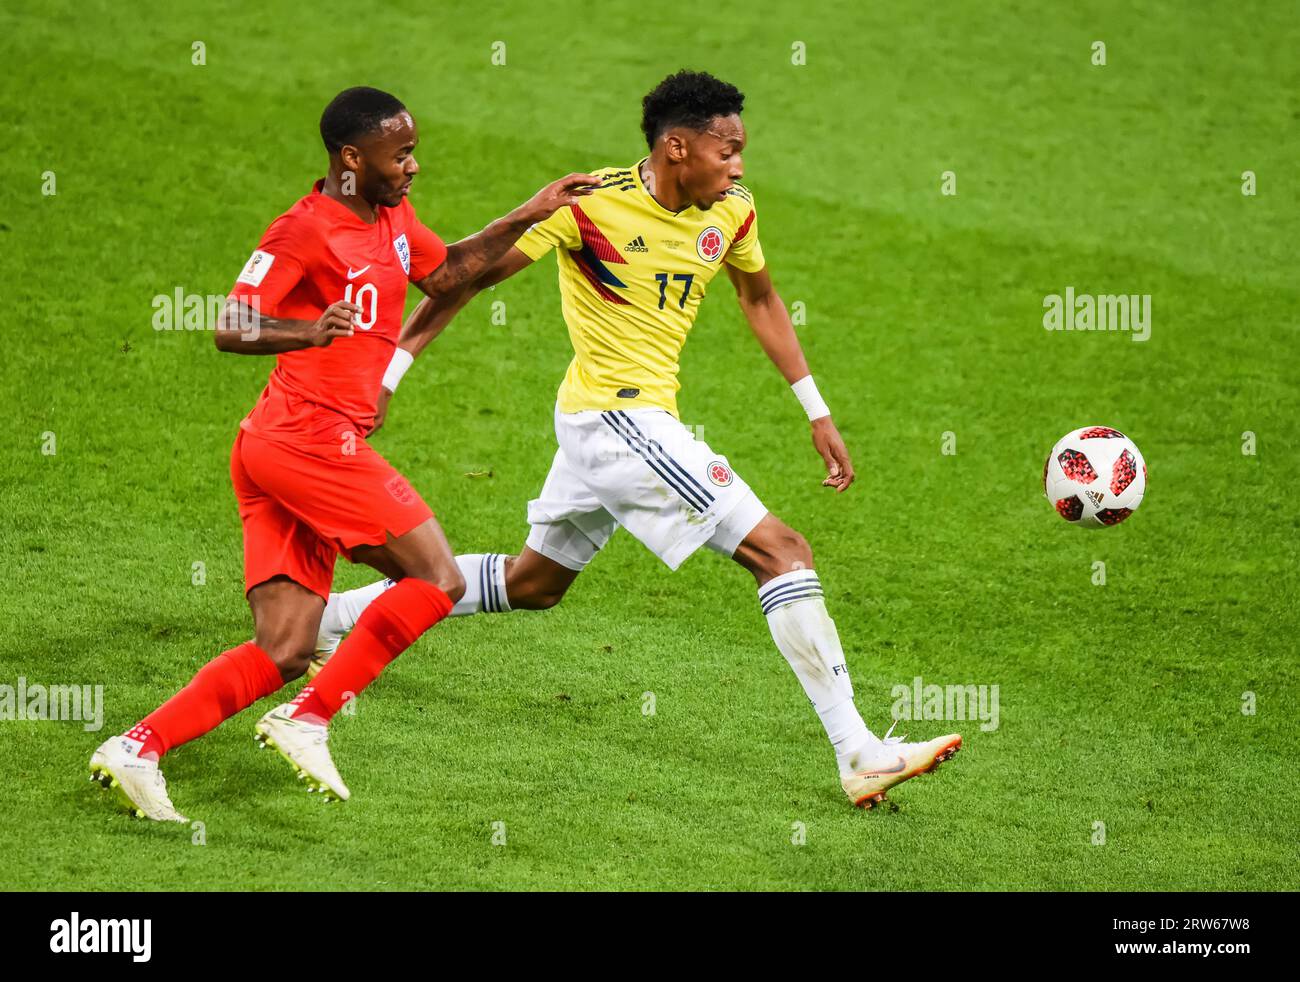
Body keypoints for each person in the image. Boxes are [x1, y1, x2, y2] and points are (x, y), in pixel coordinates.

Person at [321, 72, 959, 808]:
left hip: (607, 422)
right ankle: (859, 752)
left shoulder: (734, 214)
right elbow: (463, 280)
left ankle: (329, 618)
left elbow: (760, 296)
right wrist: (390, 376)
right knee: (782, 552)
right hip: (615, 422)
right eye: (729, 151)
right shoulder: (591, 207)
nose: (740, 166)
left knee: (535, 584)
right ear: (678, 147)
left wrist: (814, 409)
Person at [89, 86, 595, 821]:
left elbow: (448, 274)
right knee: (437, 579)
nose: (414, 166)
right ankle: (310, 717)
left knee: (285, 647)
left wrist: (530, 211)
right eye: (401, 154)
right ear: (352, 158)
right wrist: (307, 332)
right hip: (304, 441)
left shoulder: (390, 215)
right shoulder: (303, 230)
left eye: (414, 150)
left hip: (282, 447)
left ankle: (138, 746)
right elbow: (230, 325)